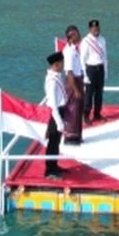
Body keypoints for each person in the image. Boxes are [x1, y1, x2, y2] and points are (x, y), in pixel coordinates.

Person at [43, 51, 67, 179]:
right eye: (62, 63)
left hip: (61, 110)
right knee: (52, 141)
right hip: (55, 113)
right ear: (56, 64)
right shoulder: (52, 81)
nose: (63, 65)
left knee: (56, 142)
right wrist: (59, 122)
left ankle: (54, 165)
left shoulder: (57, 76)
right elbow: (52, 103)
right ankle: (49, 170)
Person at [61, 24, 85, 143]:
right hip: (73, 83)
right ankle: (70, 136)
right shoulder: (69, 52)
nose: (79, 35)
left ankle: (77, 134)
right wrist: (76, 90)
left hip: (78, 80)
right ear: (70, 37)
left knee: (78, 109)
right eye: (76, 33)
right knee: (72, 109)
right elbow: (69, 72)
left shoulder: (74, 49)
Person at [81, 19, 107, 122]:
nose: (96, 30)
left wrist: (106, 71)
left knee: (99, 93)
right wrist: (85, 74)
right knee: (89, 94)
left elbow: (105, 57)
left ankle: (97, 114)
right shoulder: (86, 41)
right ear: (90, 29)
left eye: (97, 28)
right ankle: (86, 115)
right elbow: (82, 59)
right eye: (94, 28)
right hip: (90, 69)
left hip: (100, 68)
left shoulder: (102, 40)